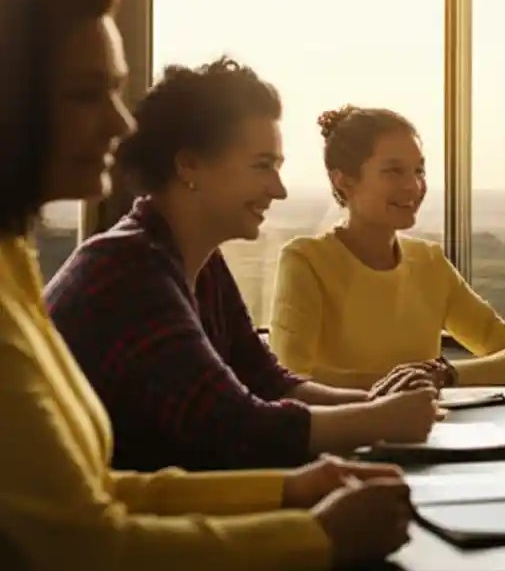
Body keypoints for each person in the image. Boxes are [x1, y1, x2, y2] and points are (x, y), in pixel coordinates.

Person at [0, 0, 410, 569]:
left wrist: (288, 489)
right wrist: (318, 535)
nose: (119, 122)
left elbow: (100, 489)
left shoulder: (15, 264)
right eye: (88, 95)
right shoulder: (123, 274)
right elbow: (85, 543)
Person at [44, 57, 438, 472]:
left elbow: (267, 381)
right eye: (262, 166)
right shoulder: (127, 274)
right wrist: (378, 419)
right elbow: (235, 429)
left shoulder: (200, 263)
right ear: (189, 165)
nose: (279, 189)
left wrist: (378, 403)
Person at [268, 105, 505, 389]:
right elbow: (290, 381)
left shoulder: (429, 262)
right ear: (344, 181)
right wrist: (407, 384)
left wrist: (445, 375)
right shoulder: (305, 261)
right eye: (394, 171)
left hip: (427, 430)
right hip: (346, 432)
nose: (413, 185)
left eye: (418, 170)